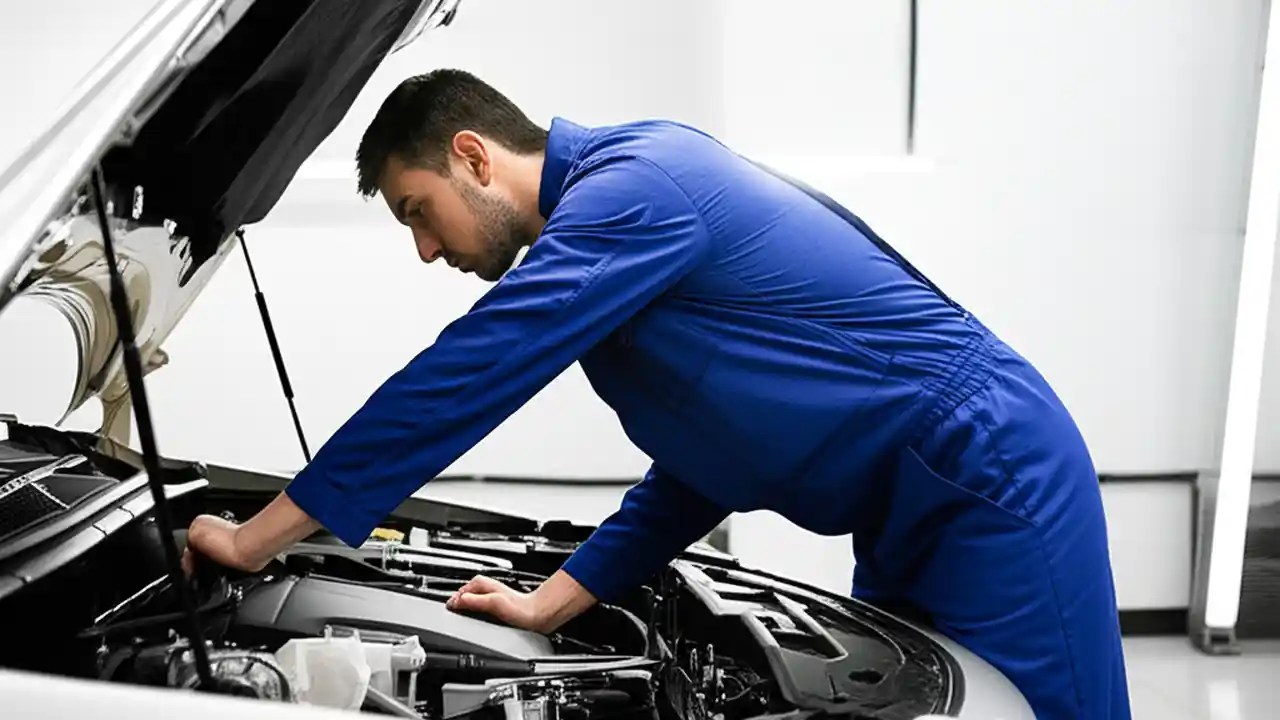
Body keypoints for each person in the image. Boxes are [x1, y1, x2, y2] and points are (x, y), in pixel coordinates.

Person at [183, 69, 1130, 718]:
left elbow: (469, 371)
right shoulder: (613, 231)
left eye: (417, 212)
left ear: (473, 156)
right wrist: (550, 604)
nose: (426, 250)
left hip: (989, 467)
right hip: (907, 499)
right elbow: (698, 463)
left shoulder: (636, 188)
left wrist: (256, 536)